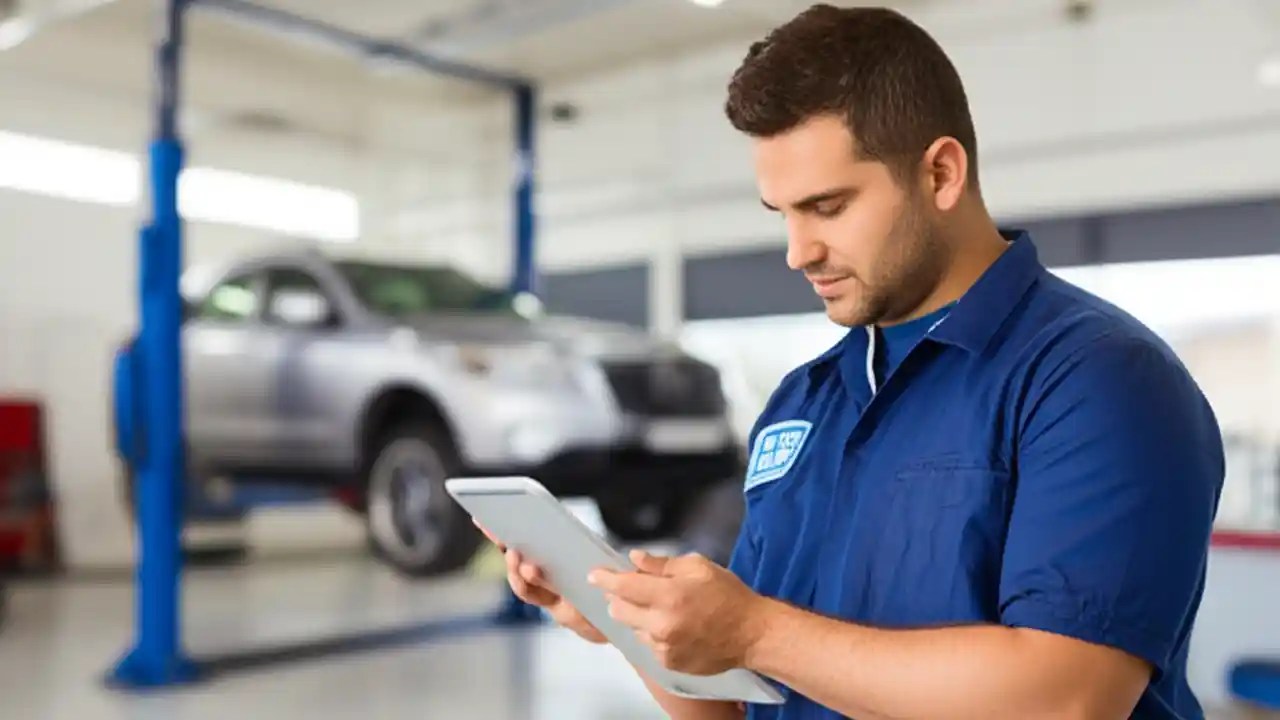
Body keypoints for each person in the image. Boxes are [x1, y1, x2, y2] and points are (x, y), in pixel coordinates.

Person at [482, 5, 1224, 719]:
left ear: (940, 174)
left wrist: (754, 629)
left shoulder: (1096, 380)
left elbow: (1065, 701)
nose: (797, 252)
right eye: (783, 214)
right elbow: (743, 702)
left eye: (828, 207)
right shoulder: (803, 402)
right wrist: (632, 625)